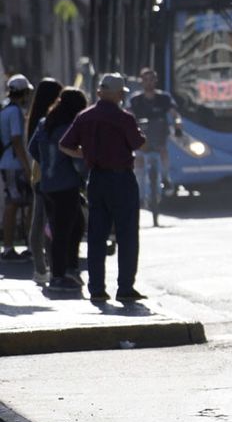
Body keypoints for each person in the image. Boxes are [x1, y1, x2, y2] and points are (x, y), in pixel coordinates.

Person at [59, 73, 147, 302]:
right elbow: (139, 144)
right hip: (122, 180)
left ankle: (97, 289)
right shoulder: (124, 118)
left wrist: (86, 154)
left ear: (99, 92)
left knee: (97, 236)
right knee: (127, 235)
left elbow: (65, 145)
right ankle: (125, 288)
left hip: (96, 178)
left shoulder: (84, 116)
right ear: (118, 94)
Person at [29, 88, 88, 292]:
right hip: (66, 185)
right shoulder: (69, 128)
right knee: (64, 230)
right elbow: (76, 161)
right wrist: (84, 174)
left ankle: (68, 269)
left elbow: (32, 148)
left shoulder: (44, 124)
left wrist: (45, 165)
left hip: (47, 184)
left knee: (73, 225)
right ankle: (59, 276)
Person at [129, 68, 182, 227]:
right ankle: (139, 194)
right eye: (146, 79)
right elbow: (128, 114)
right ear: (141, 81)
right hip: (141, 138)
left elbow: (175, 114)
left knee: (163, 151)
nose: (149, 82)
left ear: (156, 81)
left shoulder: (164, 98)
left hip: (159, 136)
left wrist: (178, 125)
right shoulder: (135, 99)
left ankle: (165, 178)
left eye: (152, 79)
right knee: (138, 159)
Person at [24, 78, 64, 283]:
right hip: (47, 175)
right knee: (45, 223)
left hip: (38, 173)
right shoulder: (47, 119)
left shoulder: (35, 118)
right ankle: (43, 267)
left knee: (39, 222)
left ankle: (41, 267)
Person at [1, 74, 34, 261]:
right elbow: (16, 140)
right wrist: (26, 167)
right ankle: (9, 248)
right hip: (14, 163)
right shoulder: (15, 113)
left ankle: (13, 245)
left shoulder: (5, 110)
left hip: (7, 162)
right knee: (14, 204)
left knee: (17, 203)